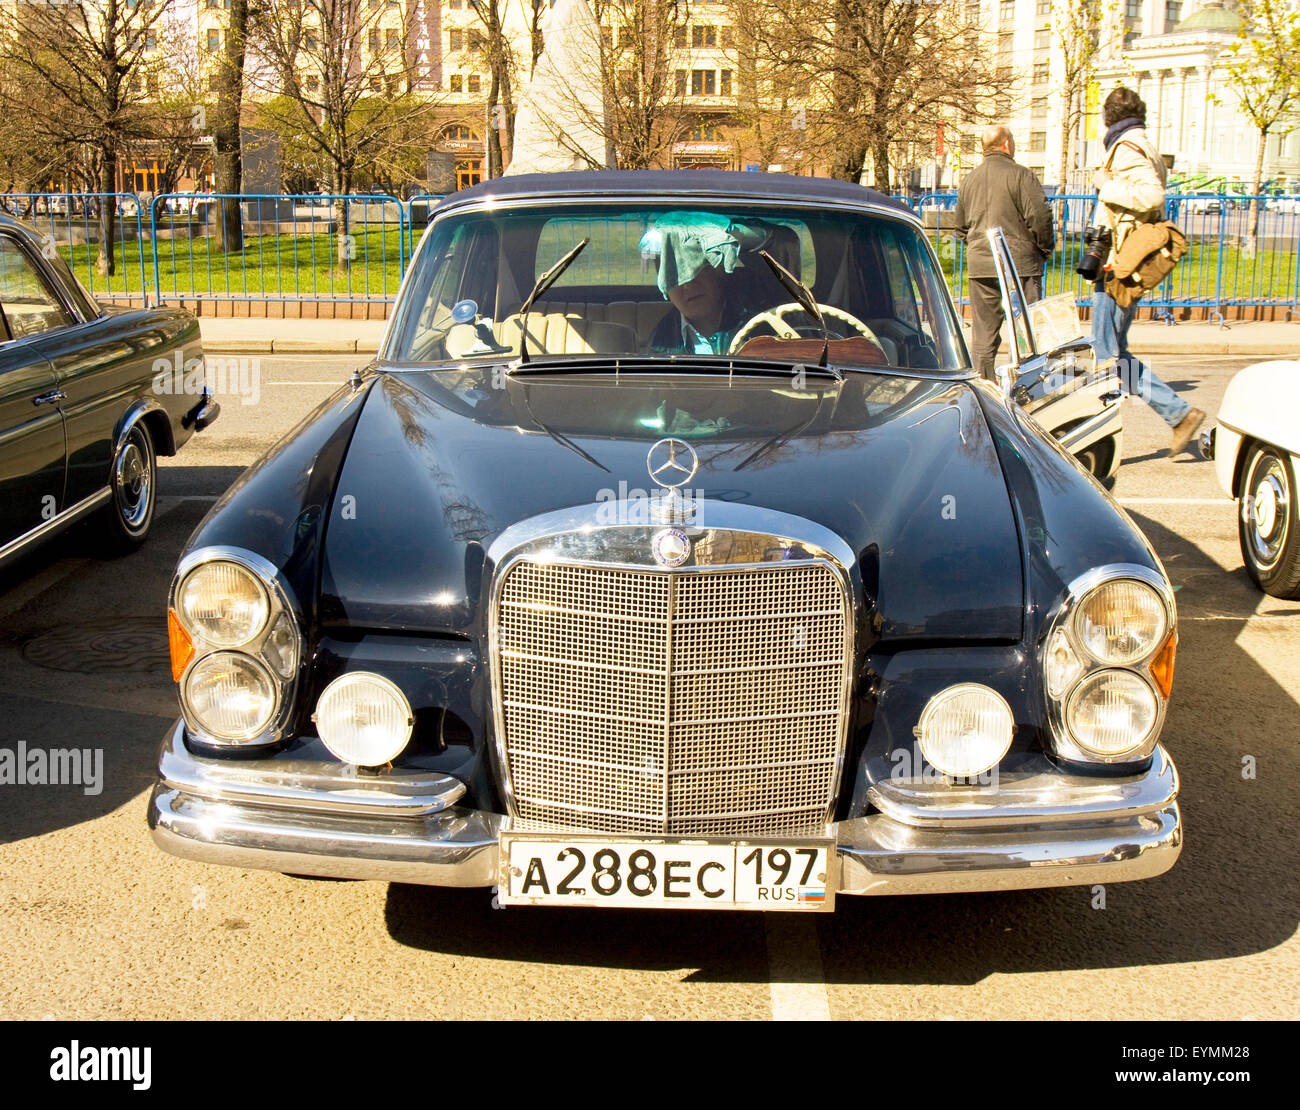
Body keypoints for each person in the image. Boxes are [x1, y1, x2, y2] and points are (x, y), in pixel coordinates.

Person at [1090, 86, 1204, 456]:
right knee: (1114, 350)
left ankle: (1174, 415)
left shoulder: (1127, 147)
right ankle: (1177, 414)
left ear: (1109, 117)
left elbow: (1152, 195)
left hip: (1120, 262)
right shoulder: (1137, 142)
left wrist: (1107, 186)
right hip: (1124, 258)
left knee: (1107, 352)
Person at [954, 124, 1055, 379]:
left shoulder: (969, 180)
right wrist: (1044, 249)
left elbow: (961, 226)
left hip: (981, 266)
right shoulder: (1022, 176)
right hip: (1019, 264)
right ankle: (1024, 386)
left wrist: (978, 248)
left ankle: (984, 389)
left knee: (983, 336)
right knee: (1026, 334)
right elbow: (1040, 216)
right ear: (1008, 144)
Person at [641, 213, 785, 355]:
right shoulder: (660, 344)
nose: (688, 285)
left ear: (719, 268)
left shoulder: (765, 321)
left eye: (697, 270)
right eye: (675, 277)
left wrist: (737, 234)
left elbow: (785, 245)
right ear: (664, 284)